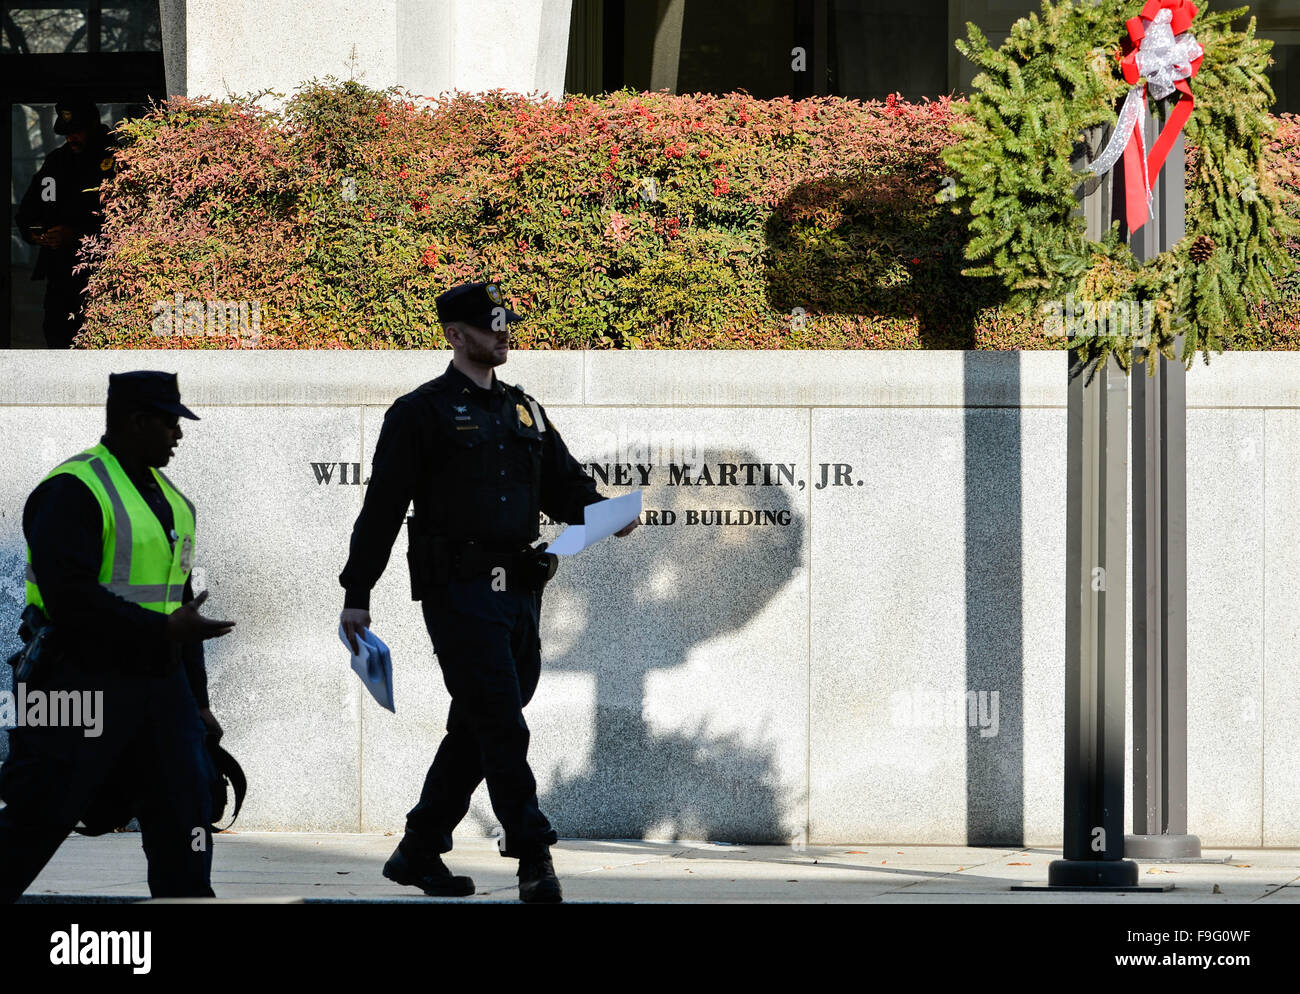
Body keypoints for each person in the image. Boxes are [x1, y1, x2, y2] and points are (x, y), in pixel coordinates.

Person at [339, 281, 636, 904]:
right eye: (489, 325)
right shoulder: (419, 412)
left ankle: (419, 849)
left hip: (522, 591)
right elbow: (383, 508)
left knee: (481, 723)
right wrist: (357, 591)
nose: (504, 332)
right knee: (501, 721)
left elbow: (564, 486)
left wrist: (606, 512)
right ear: (454, 335)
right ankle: (533, 856)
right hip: (459, 592)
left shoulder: (524, 411)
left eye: (506, 323)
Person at [0, 372, 235, 903]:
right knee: (39, 815)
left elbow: (182, 607)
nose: (178, 435)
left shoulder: (175, 502)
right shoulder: (73, 489)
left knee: (186, 815)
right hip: (77, 679)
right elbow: (68, 598)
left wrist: (199, 706)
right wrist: (161, 629)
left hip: (161, 684)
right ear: (137, 421)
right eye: (171, 423)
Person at [14, 99, 115, 349]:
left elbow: (123, 221)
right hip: (60, 272)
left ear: (94, 125)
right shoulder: (57, 161)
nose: (71, 138)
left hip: (102, 271)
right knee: (58, 335)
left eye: (76, 131)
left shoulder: (115, 159)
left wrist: (77, 235)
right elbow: (28, 212)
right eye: (66, 133)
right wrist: (36, 234)